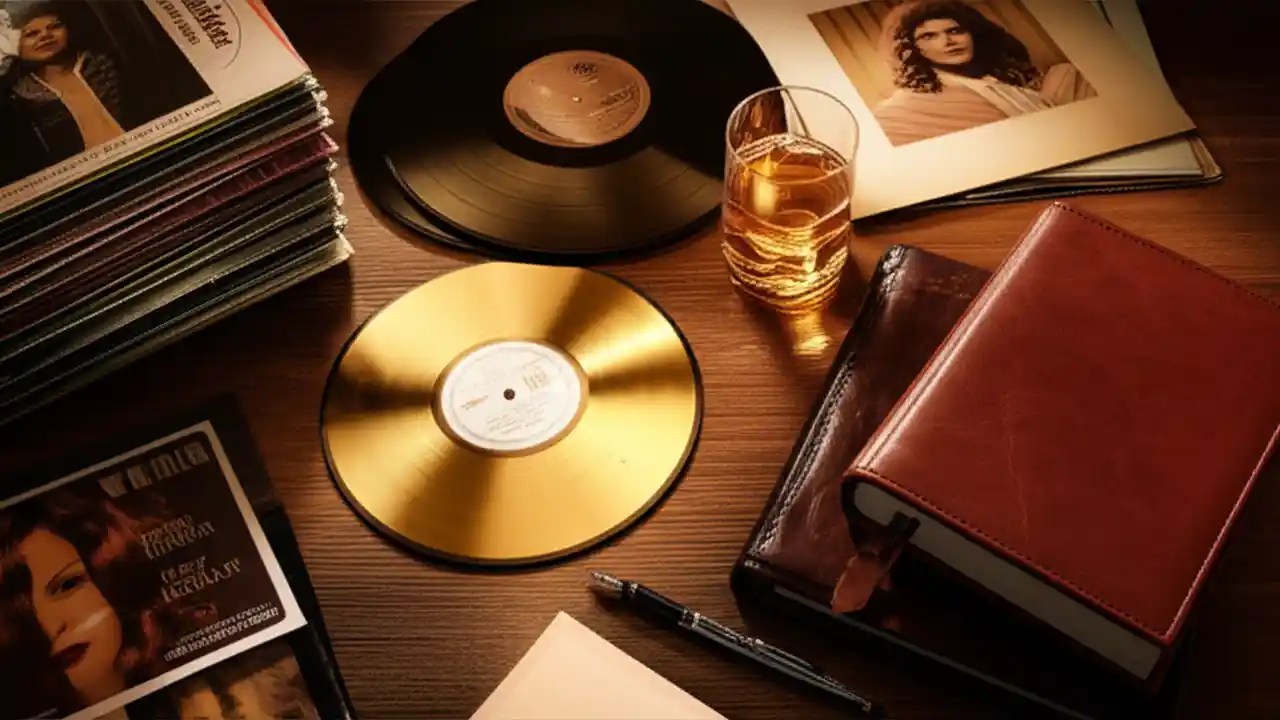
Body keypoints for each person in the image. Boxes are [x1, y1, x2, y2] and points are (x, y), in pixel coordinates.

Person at [0, 489, 202, 716]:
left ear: (108, 581)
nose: (49, 625)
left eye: (67, 585)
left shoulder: (207, 695)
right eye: (17, 610)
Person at [871, 0, 1094, 146]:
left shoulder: (1000, 81)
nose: (948, 42)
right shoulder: (908, 106)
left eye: (955, 31)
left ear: (973, 35)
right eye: (929, 36)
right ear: (913, 48)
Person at [5, 1, 131, 166]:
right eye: (31, 34)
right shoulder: (19, 99)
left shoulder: (105, 66)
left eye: (54, 27)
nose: (45, 35)